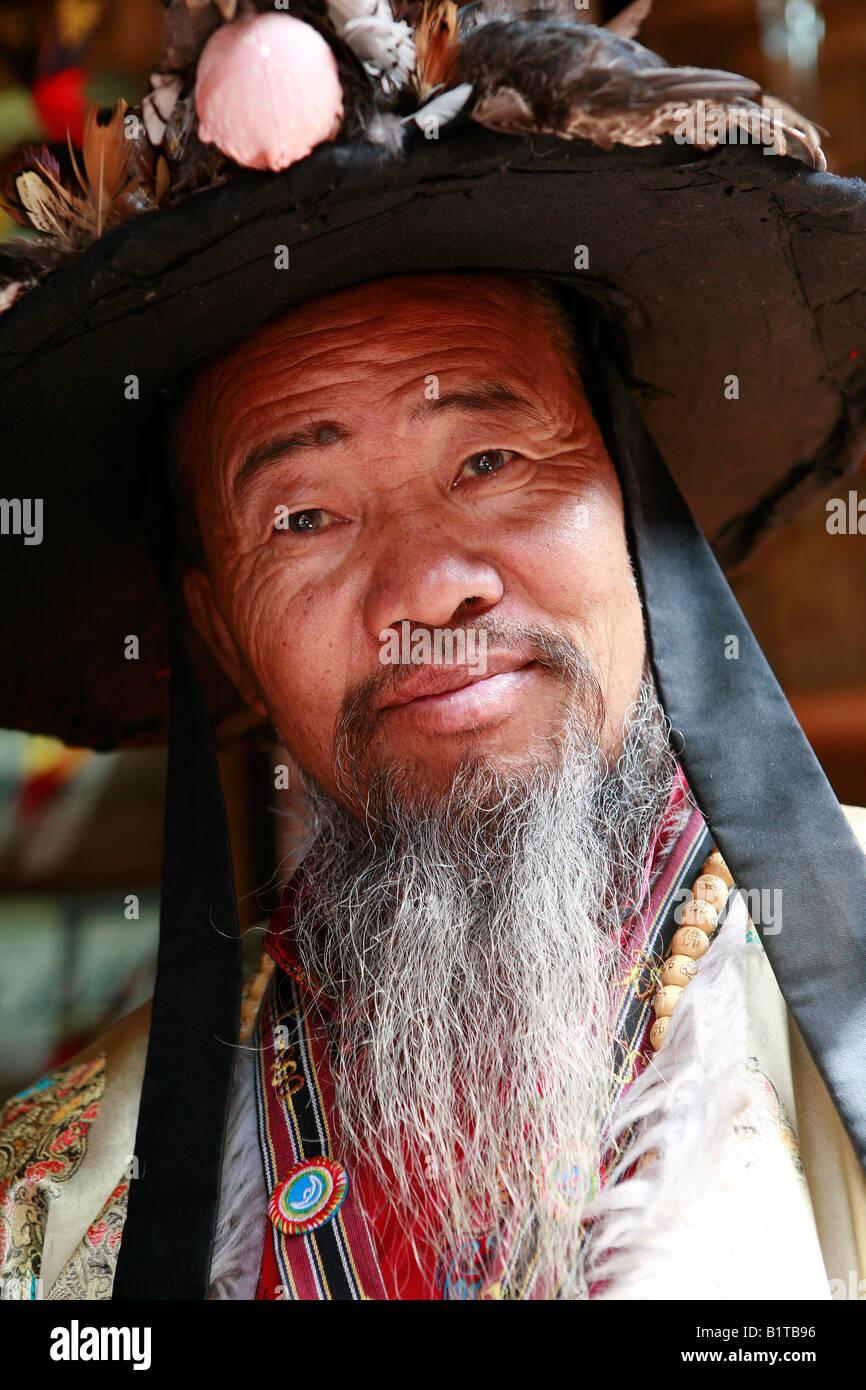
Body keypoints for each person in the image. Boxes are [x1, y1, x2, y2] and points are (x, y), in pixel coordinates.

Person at [1, 0, 865, 1302]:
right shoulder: (45, 1219)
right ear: (220, 626)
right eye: (303, 517)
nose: (426, 588)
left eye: (491, 459)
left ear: (637, 502)